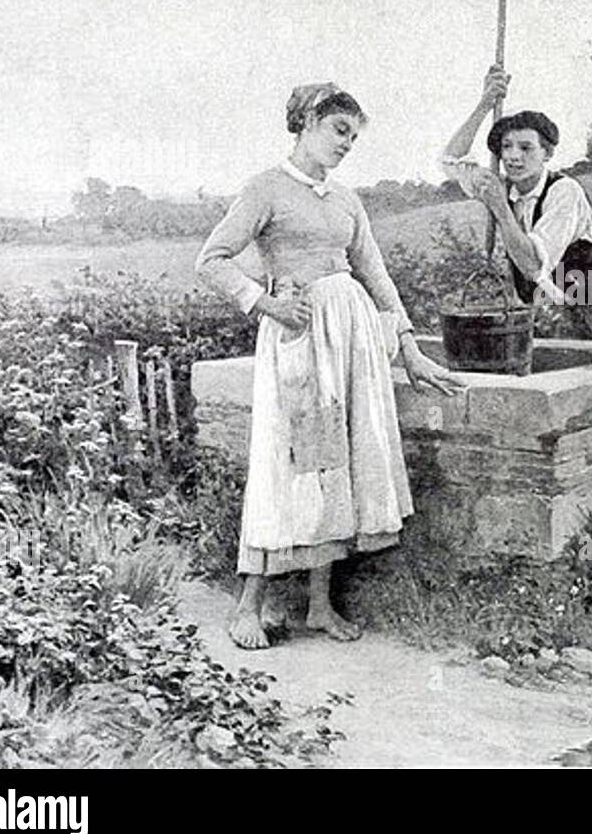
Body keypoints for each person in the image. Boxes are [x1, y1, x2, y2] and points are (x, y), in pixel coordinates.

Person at [196, 81, 465, 650]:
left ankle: (319, 605)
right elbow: (212, 260)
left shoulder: (345, 199)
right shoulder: (265, 189)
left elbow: (375, 272)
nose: (346, 143)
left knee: (337, 463)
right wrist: (266, 302)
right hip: (299, 338)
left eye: (353, 135)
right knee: (288, 463)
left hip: (354, 336)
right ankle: (248, 606)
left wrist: (409, 347)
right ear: (306, 122)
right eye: (338, 130)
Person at [438, 66, 592, 343]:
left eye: (525, 148)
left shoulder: (563, 192)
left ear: (547, 153)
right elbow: (450, 160)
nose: (512, 157)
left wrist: (499, 207)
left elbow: (533, 264)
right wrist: (485, 103)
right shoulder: (502, 188)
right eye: (506, 146)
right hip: (574, 307)